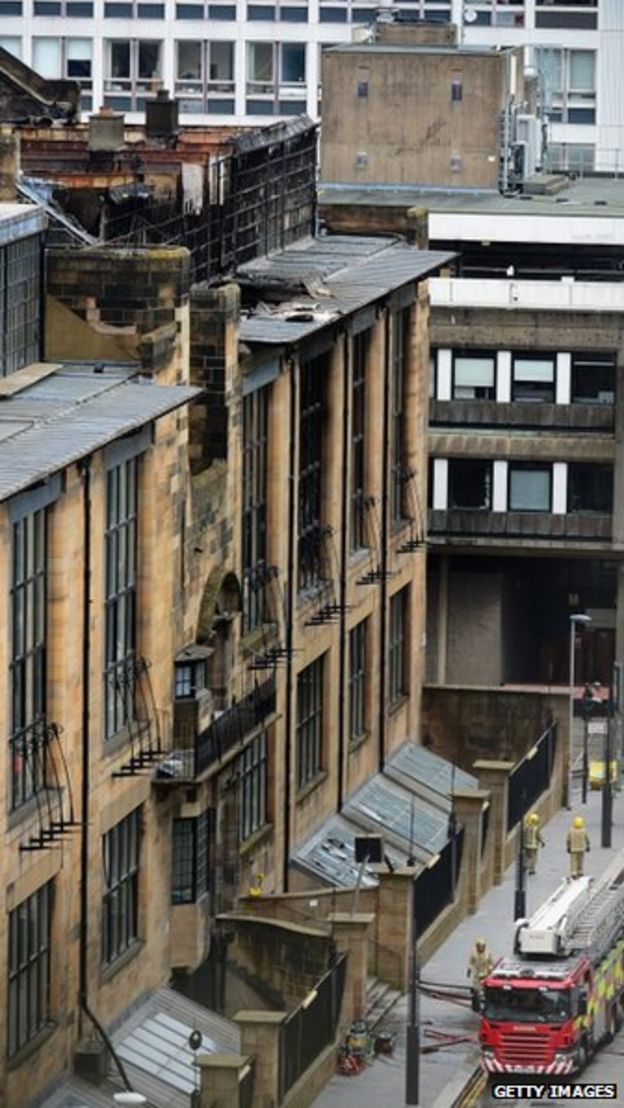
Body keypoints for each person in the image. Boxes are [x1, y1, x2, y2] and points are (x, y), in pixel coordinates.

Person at [467, 938, 493, 1011]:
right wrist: (469, 969)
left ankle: (487, 1003)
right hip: (477, 973)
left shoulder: (488, 953)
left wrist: (490, 969)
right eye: (479, 946)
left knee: (486, 989)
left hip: (485, 972)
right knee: (476, 990)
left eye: (482, 946)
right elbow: (471, 962)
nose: (481, 948)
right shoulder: (474, 953)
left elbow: (491, 962)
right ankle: (475, 1004)